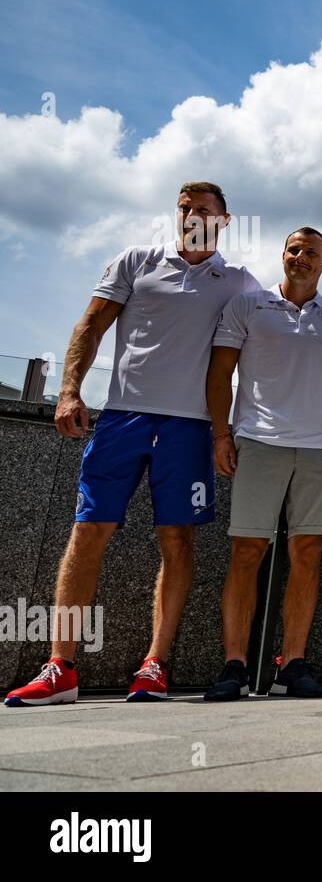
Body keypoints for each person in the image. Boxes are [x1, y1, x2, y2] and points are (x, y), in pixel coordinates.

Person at [6, 182, 261, 707]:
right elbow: (90, 325)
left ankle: (154, 665)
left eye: (203, 210)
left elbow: (268, 346)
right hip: (123, 419)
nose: (191, 216)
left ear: (225, 220)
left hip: (190, 429)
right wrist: (69, 390)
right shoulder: (136, 260)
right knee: (88, 531)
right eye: (184, 208)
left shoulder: (239, 284)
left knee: (178, 541)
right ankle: (61, 667)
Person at [203, 228, 322, 701]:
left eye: (312, 253)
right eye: (294, 250)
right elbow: (220, 372)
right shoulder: (247, 305)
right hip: (258, 441)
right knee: (246, 553)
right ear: (284, 256)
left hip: (320, 448)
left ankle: (292, 664)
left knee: (307, 555)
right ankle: (234, 665)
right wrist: (221, 433)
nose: (301, 257)